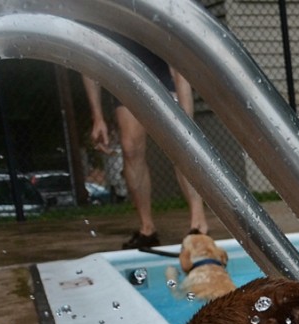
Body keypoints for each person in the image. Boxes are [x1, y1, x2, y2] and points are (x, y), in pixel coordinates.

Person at [82, 39, 208, 251]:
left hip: (163, 78)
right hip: (125, 80)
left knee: (181, 148)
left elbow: (177, 63)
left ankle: (198, 225)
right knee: (130, 150)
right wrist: (98, 117)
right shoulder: (99, 19)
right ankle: (147, 229)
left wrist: (187, 119)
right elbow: (88, 59)